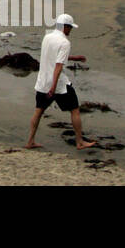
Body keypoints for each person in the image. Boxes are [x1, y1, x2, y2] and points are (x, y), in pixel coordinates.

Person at [25, 13, 96, 149]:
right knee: (75, 110)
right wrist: (53, 87)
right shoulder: (65, 42)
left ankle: (30, 141)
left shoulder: (47, 37)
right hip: (58, 85)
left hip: (42, 81)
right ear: (65, 27)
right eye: (70, 27)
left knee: (39, 111)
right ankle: (80, 141)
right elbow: (58, 66)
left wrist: (74, 58)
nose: (70, 30)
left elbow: (53, 56)